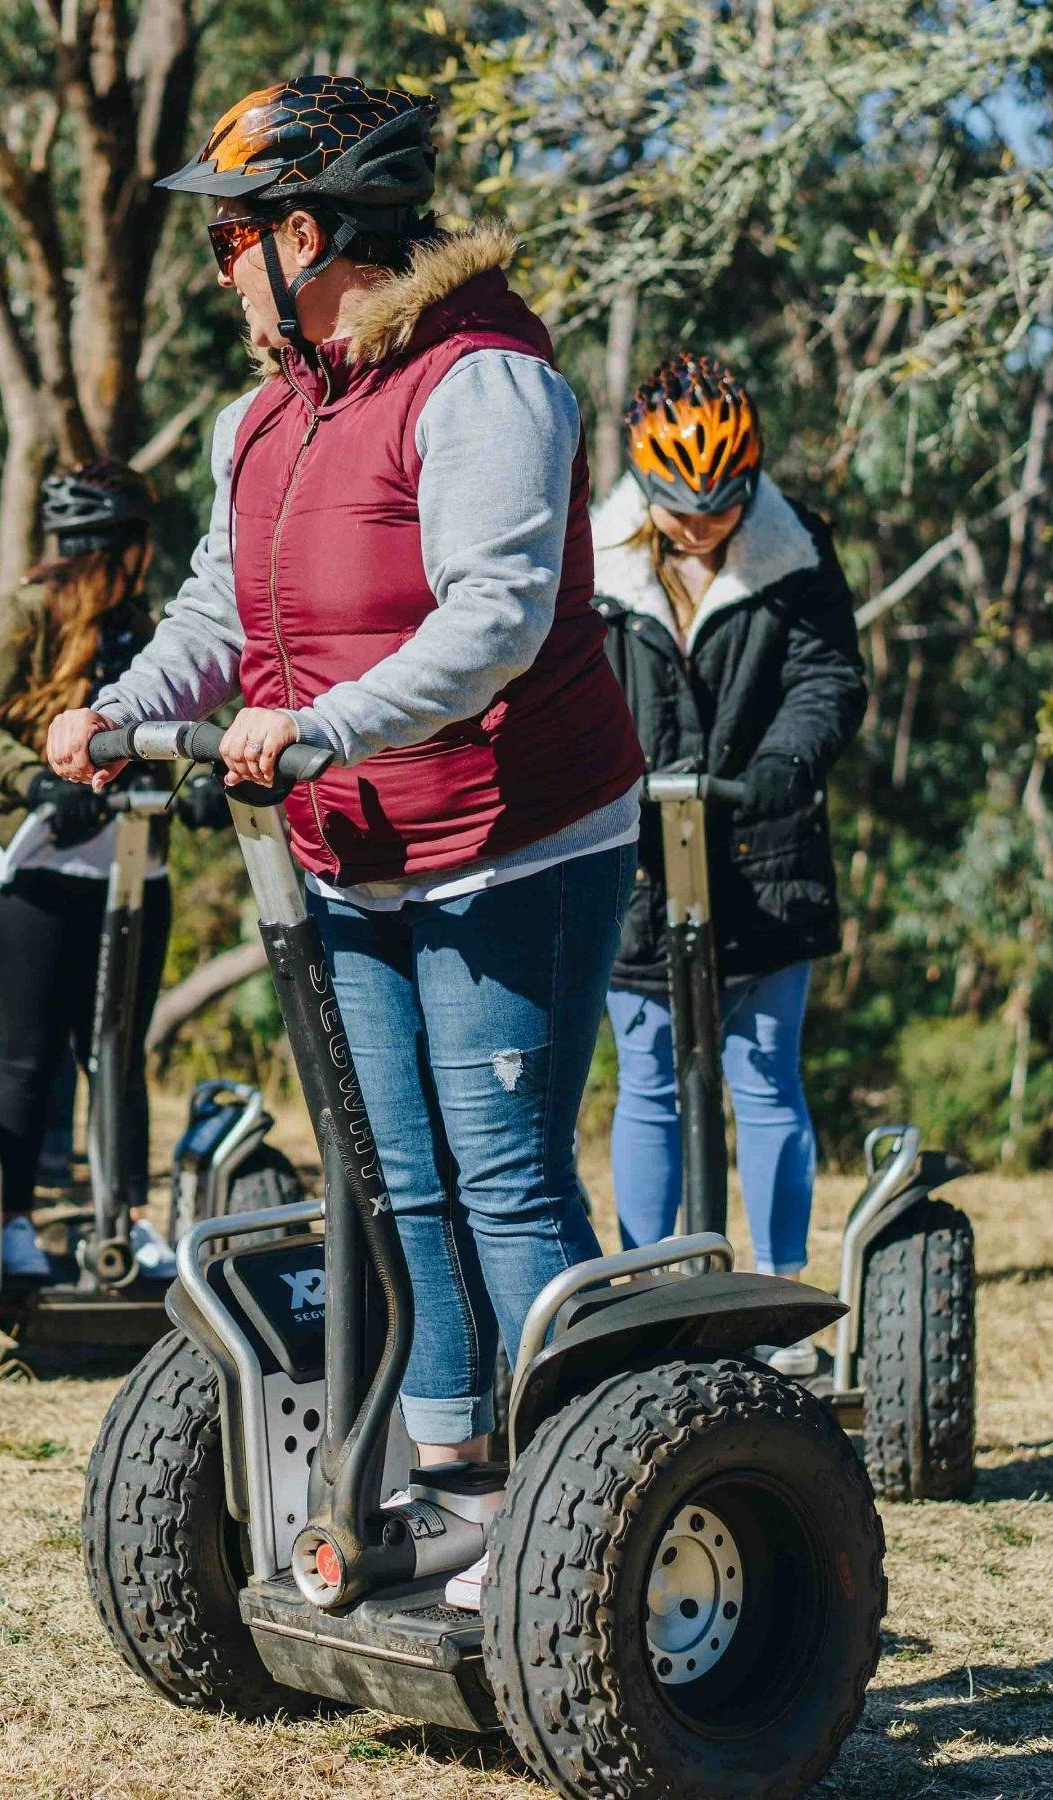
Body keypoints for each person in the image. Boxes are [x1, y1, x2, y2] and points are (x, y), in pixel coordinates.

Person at [44, 76, 646, 1608]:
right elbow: (218, 611)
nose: (216, 262)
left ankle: (578, 1497)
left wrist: (326, 725)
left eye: (233, 232)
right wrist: (120, 713)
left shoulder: (484, 382)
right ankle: (455, 1479)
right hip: (349, 843)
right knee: (390, 1172)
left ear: (308, 236)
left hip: (517, 837)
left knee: (501, 1170)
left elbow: (498, 619)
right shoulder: (273, 411)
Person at [592, 352, 868, 1352]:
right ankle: (644, 1294)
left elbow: (828, 676)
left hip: (763, 848)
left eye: (721, 506)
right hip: (634, 859)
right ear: (647, 487)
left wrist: (789, 760)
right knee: (650, 1072)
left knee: (763, 1072)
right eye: (681, 508)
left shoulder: (793, 558)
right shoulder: (598, 570)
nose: (702, 526)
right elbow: (565, 688)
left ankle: (781, 1303)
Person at [0, 461, 173, 1279]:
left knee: (117, 1051)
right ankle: (11, 1221)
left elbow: (180, 713)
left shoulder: (144, 627)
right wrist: (38, 783)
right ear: (120, 548)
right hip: (27, 865)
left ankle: (128, 1218)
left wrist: (205, 784)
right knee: (29, 1056)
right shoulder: (26, 615)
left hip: (127, 867)